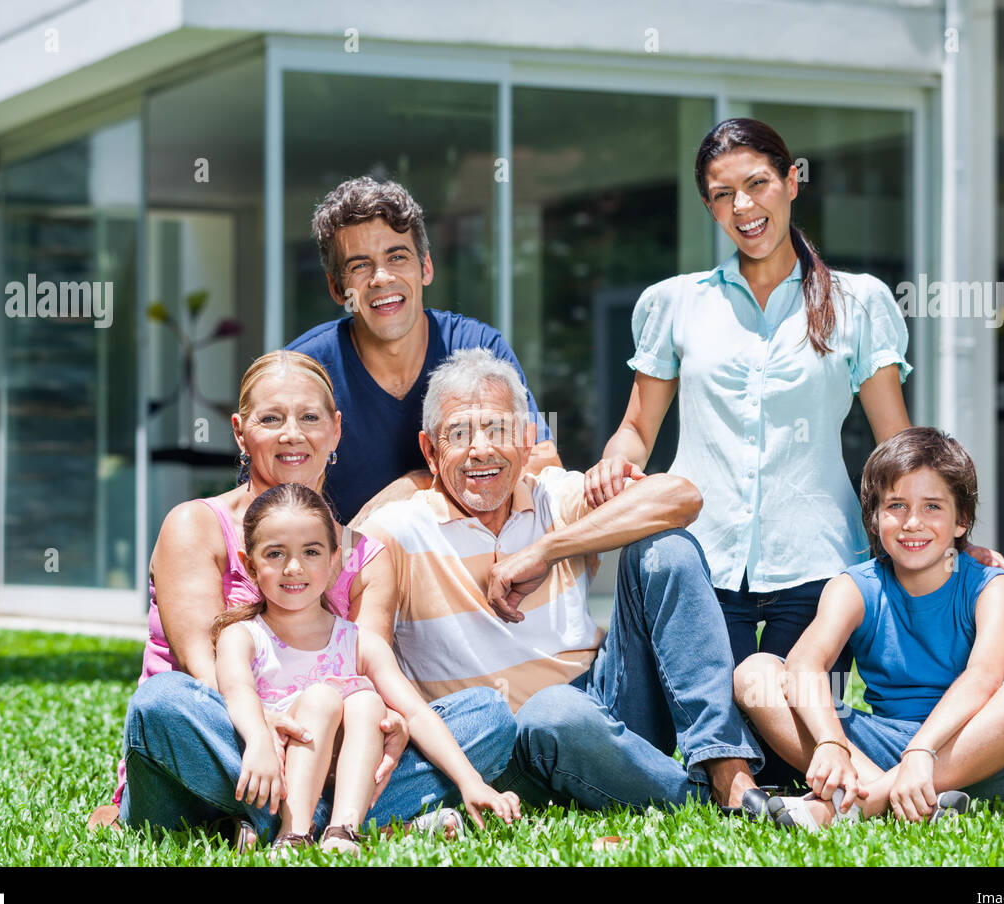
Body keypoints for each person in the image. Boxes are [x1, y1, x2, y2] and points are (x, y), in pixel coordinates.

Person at [585, 118, 1004, 783]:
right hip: (702, 562)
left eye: (758, 184)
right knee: (715, 758)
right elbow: (637, 428)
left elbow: (895, 441)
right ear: (709, 206)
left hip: (817, 565)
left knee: (789, 760)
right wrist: (618, 457)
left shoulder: (857, 303)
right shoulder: (676, 304)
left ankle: (865, 782)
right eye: (723, 195)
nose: (744, 207)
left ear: (792, 183)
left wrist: (943, 521)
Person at [103, 350, 516, 844]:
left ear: (336, 429)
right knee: (160, 704)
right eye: (271, 419)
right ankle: (352, 820)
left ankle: (278, 825)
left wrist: (386, 724)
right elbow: (205, 672)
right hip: (221, 742)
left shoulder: (366, 557)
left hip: (334, 751)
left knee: (487, 718)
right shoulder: (195, 524)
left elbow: (369, 680)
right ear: (240, 431)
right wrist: (262, 729)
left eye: (310, 417)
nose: (292, 434)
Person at [353, 348, 774, 818]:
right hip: (507, 752)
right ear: (430, 452)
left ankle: (725, 766)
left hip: (607, 709)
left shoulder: (554, 494)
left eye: (498, 430)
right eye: (459, 435)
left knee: (667, 551)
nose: (481, 450)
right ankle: (707, 805)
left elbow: (682, 498)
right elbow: (362, 648)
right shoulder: (397, 532)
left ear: (527, 439)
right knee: (551, 711)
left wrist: (547, 550)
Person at [732, 427, 1004, 830]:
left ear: (961, 520)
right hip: (883, 748)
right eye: (896, 505)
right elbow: (805, 663)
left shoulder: (995, 586)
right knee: (755, 673)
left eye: (933, 507)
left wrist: (923, 752)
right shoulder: (854, 587)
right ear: (875, 517)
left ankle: (856, 805)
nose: (913, 522)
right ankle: (911, 800)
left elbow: (984, 677)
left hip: (982, 748)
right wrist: (831, 743)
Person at [212, 482, 521, 855]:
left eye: (311, 552)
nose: (293, 568)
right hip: (269, 778)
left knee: (373, 704)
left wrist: (471, 782)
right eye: (275, 554)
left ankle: (342, 831)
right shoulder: (242, 636)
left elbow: (415, 712)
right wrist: (260, 740)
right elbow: (236, 693)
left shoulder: (358, 642)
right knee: (322, 700)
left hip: (350, 782)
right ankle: (293, 832)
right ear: (249, 565)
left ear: (333, 561)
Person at [286, 176, 560, 525]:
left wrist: (414, 485)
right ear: (337, 288)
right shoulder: (303, 372)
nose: (381, 278)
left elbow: (542, 461)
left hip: (462, 564)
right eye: (359, 265)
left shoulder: (477, 348)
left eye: (397, 257)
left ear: (425, 267)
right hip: (345, 569)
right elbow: (260, 501)